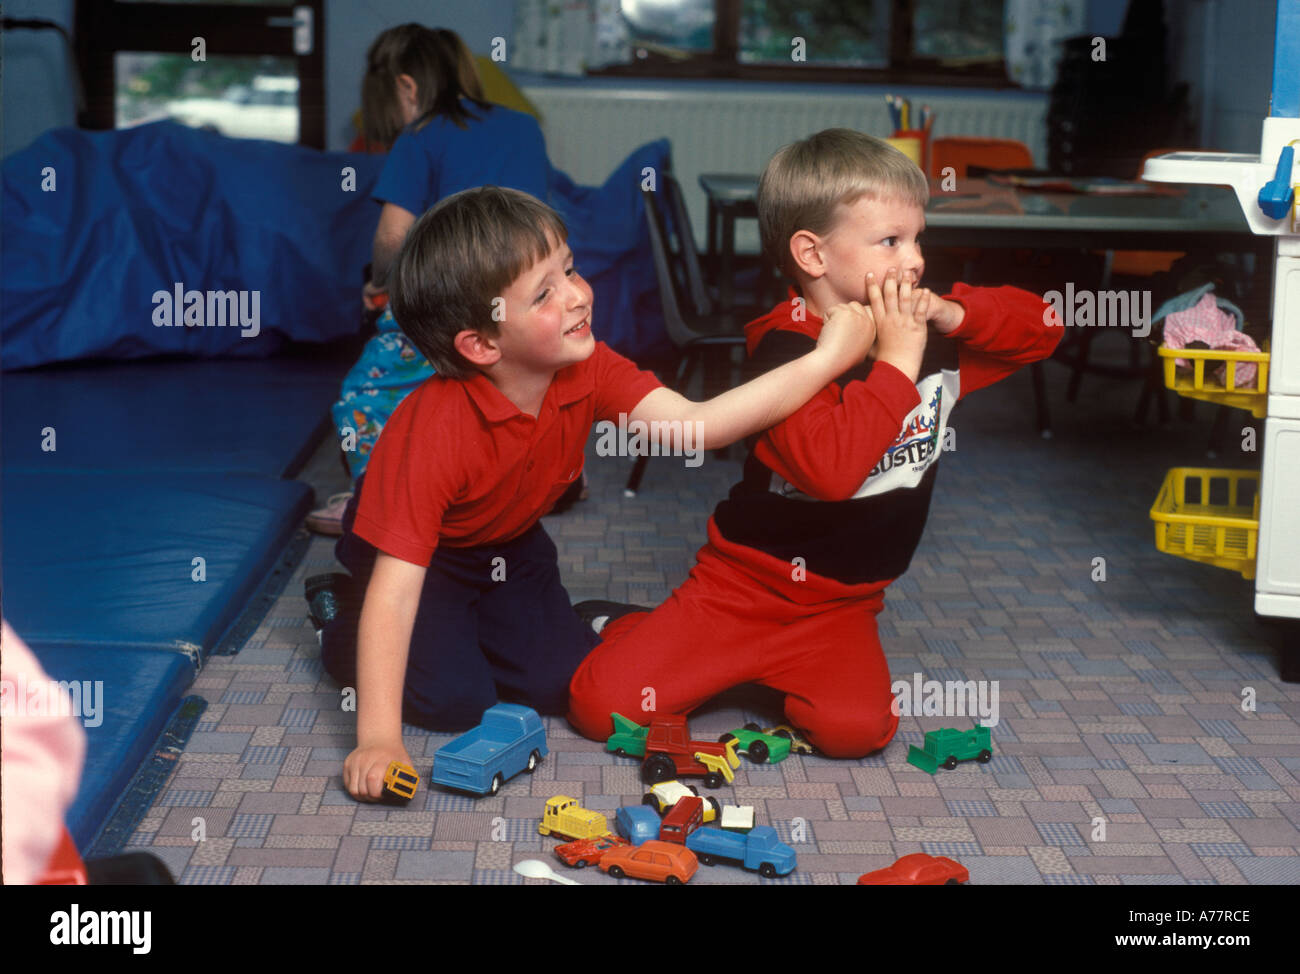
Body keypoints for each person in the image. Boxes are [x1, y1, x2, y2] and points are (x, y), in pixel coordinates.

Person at [329, 186, 878, 800]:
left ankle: (484, 620)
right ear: (481, 344)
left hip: (509, 544)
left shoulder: (587, 367)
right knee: (454, 701)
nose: (577, 295)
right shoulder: (434, 429)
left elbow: (703, 424)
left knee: (562, 683)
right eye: (544, 293)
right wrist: (376, 736)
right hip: (415, 562)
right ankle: (338, 616)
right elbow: (398, 591)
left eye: (569, 269)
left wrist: (826, 358)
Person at [567, 128, 1063, 758]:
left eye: (918, 239)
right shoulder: (788, 348)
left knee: (857, 734)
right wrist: (896, 364)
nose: (914, 261)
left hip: (842, 607)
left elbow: (1046, 327)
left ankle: (755, 670)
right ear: (813, 254)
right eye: (890, 241)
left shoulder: (927, 328)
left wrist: (953, 316)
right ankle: (643, 628)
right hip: (742, 589)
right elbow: (831, 472)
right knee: (598, 708)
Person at [309, 25, 551, 534]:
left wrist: (379, 283)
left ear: (408, 88)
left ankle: (378, 502)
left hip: (446, 302)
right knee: (499, 395)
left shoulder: (420, 136)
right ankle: (536, 479)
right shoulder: (523, 126)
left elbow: (394, 239)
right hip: (526, 300)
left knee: (366, 396)